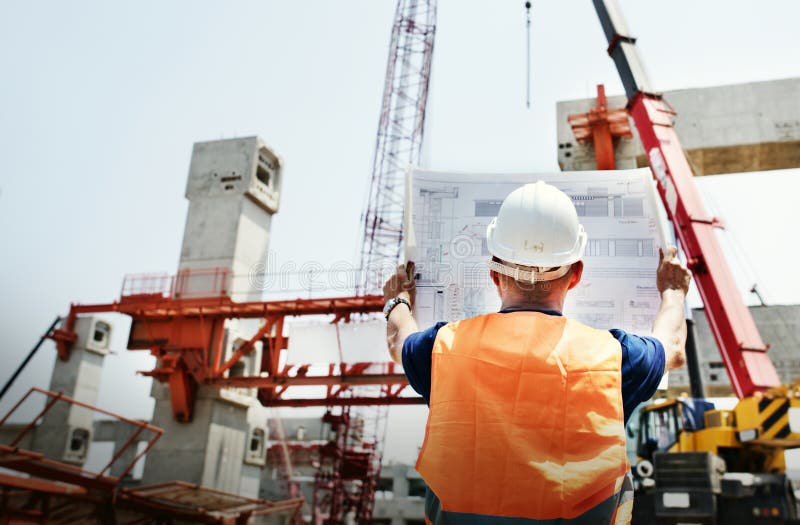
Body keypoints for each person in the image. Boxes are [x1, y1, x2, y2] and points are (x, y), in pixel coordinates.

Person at [382, 181, 691, 524]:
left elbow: (398, 340)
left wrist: (398, 301)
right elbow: (673, 348)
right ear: (576, 274)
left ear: (494, 273)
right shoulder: (615, 358)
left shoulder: (443, 347)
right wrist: (673, 292)